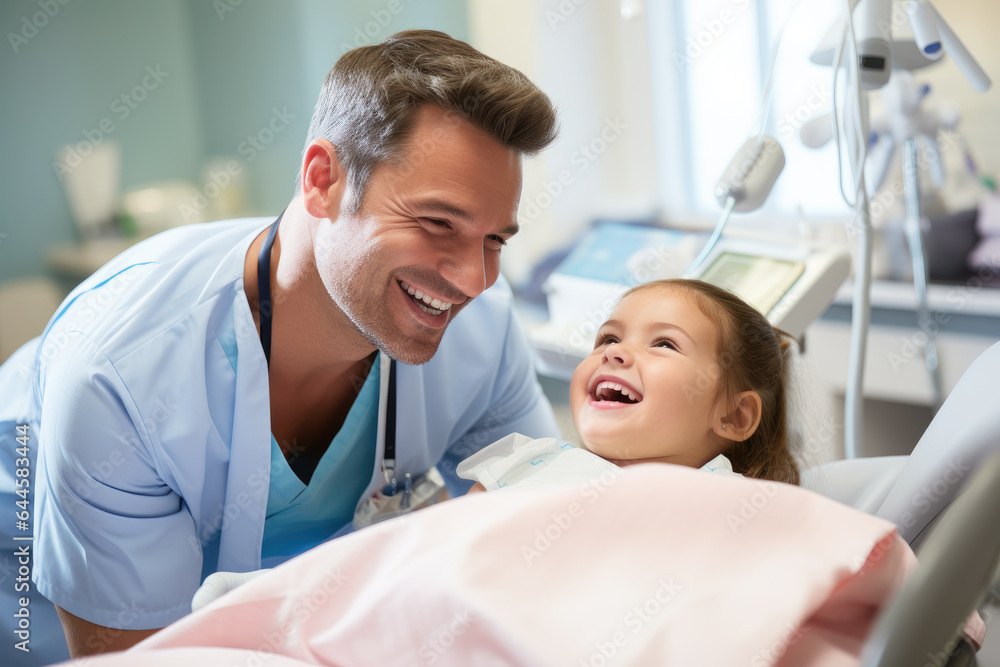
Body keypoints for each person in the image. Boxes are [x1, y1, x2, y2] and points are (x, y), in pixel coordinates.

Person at [0, 30, 560, 664]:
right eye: (437, 223)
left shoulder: (484, 330)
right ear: (322, 180)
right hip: (34, 579)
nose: (472, 279)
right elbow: (142, 657)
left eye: (494, 241)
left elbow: (542, 516)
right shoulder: (120, 377)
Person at [458, 279, 801, 493]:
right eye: (608, 338)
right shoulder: (518, 471)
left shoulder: (738, 508)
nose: (615, 352)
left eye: (664, 344)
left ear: (735, 416)